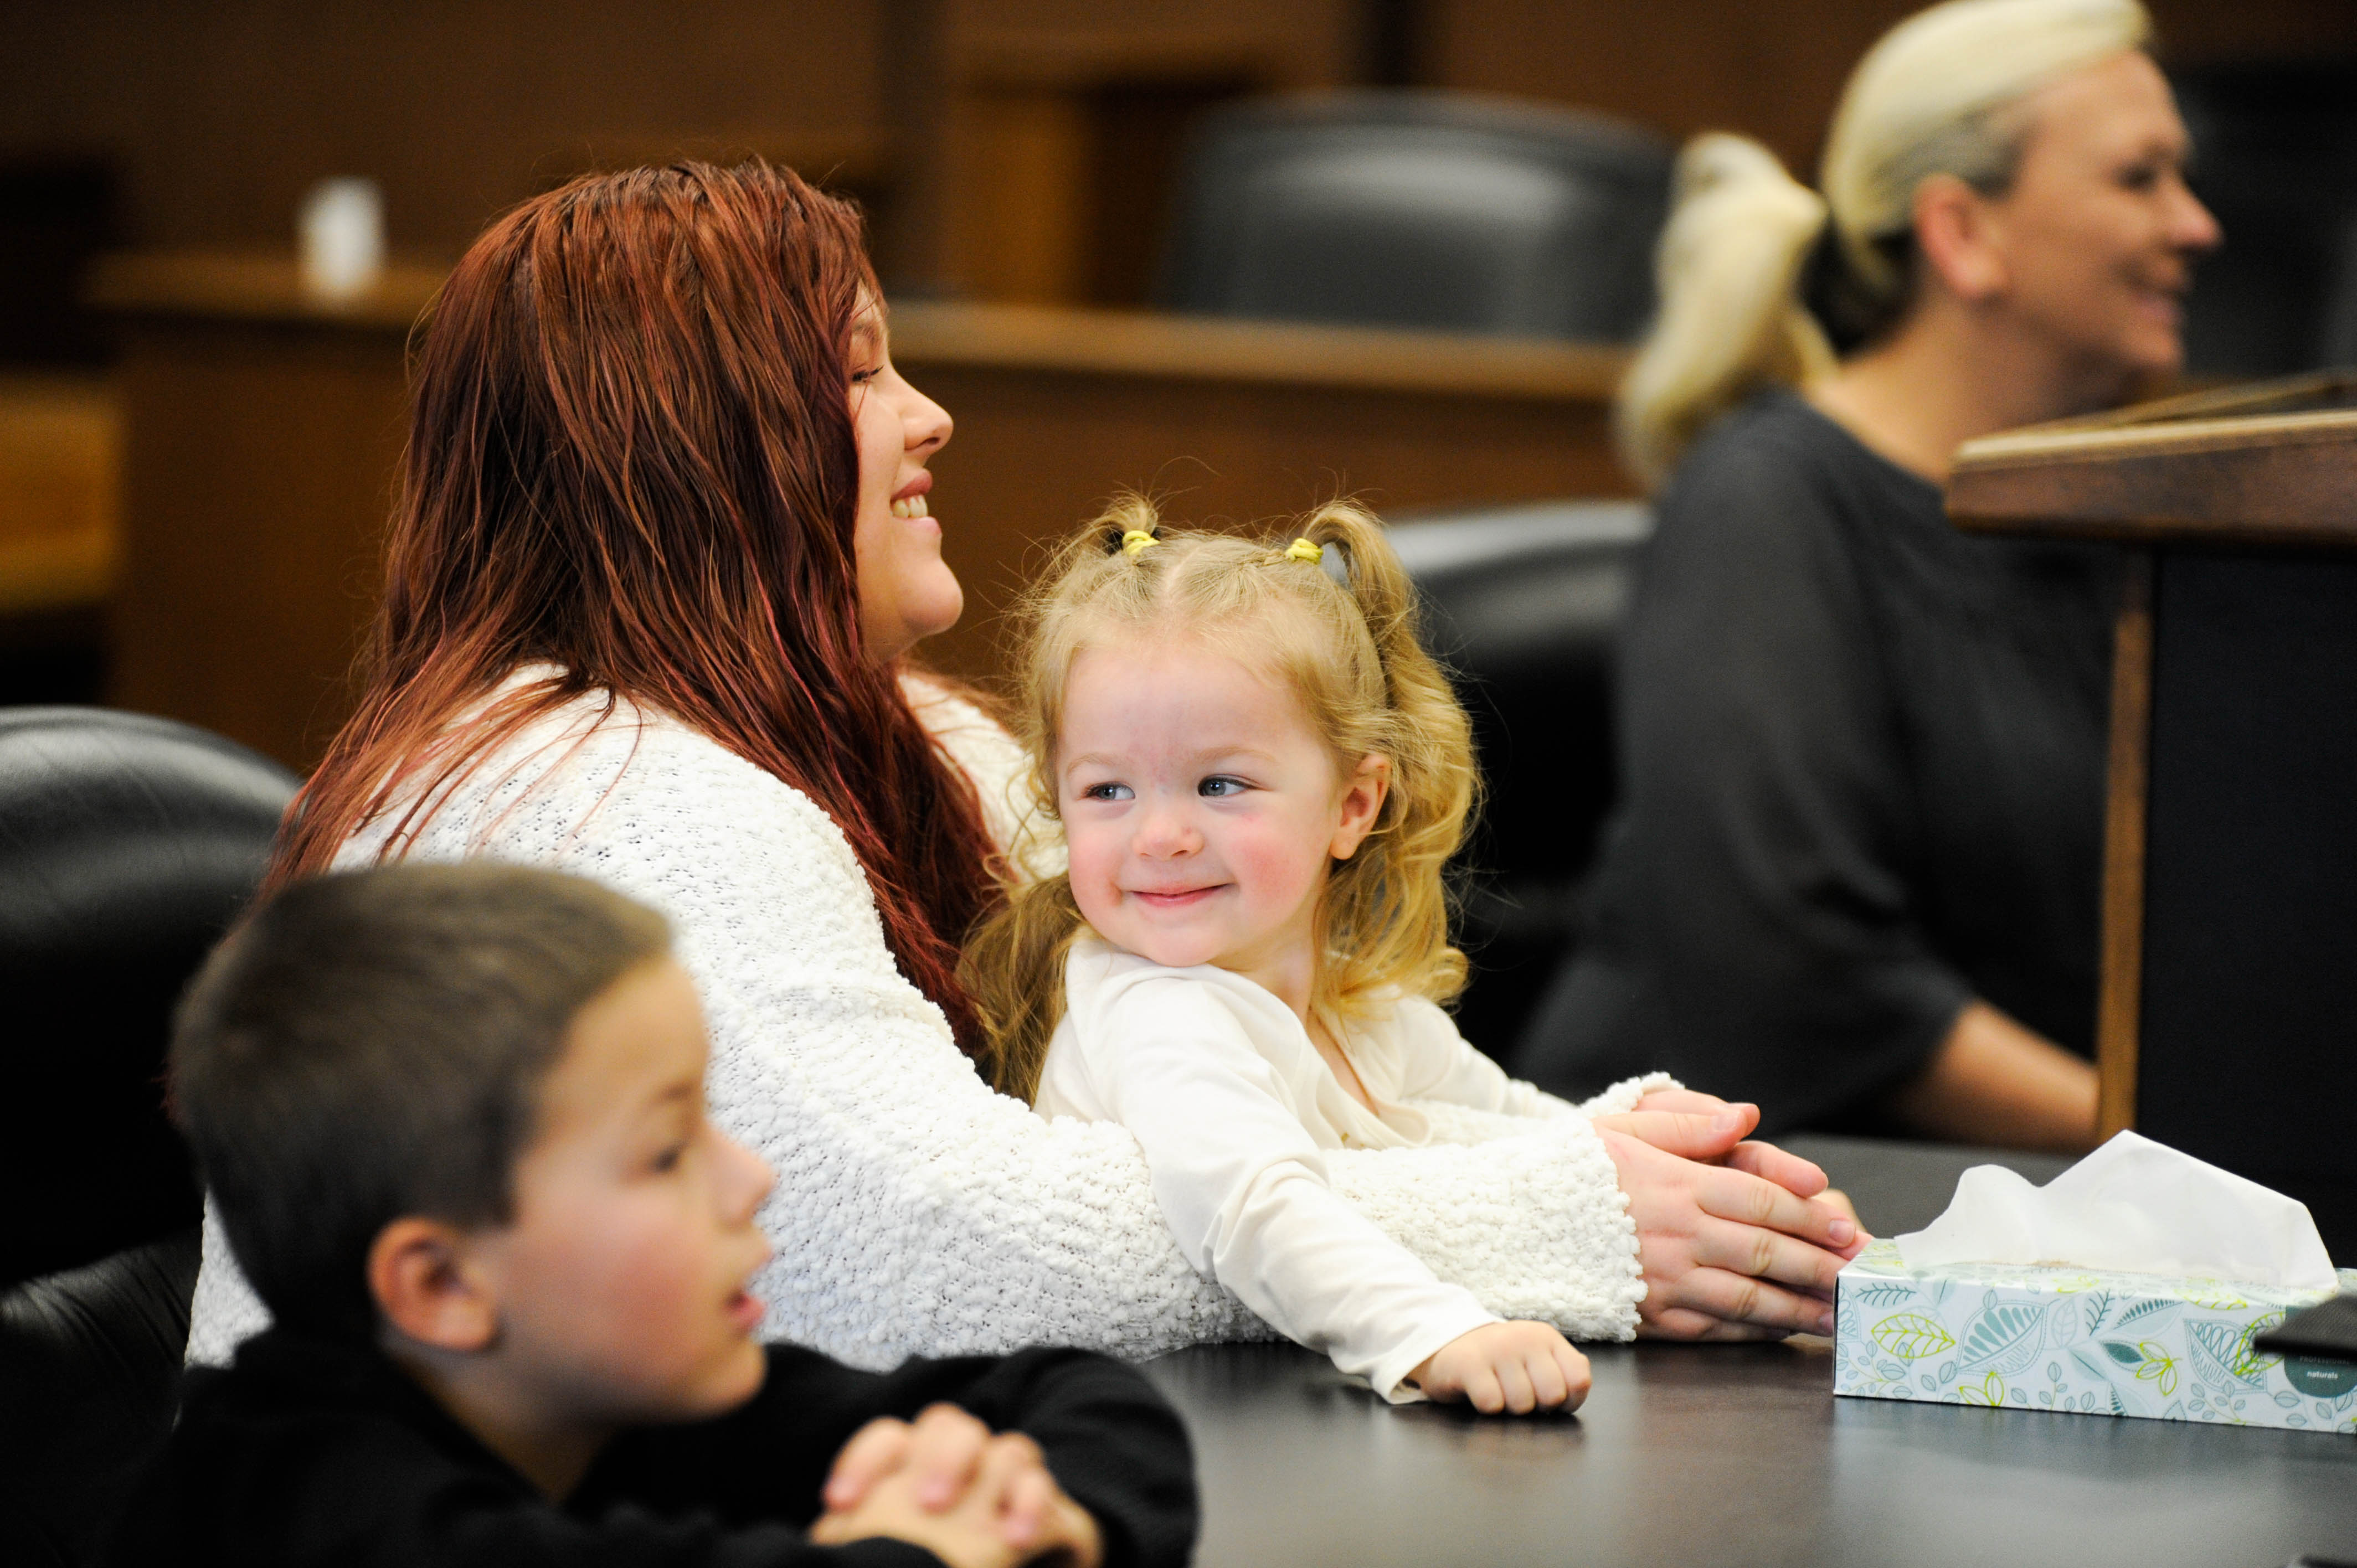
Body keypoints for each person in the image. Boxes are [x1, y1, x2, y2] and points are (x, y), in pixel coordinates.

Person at [186, 160, 1859, 1370]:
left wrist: (1600, 1156)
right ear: (698, 454)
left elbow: (1247, 1068)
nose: (931, 419)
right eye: (858, 375)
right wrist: (1563, 1219)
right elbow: (949, 1253)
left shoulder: (909, 732)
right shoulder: (617, 795)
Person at [1517, 0, 2219, 1153]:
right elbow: (1805, 974)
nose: (2195, 226)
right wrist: (2172, 1145)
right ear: (1960, 235)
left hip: (2032, 1205)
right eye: (2138, 179)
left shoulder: (2122, 504)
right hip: (1753, 1213)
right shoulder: (1766, 505)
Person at [120, 863, 1196, 1568]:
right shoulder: (304, 1520)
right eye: (667, 1151)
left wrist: (1049, 1518)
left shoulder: (601, 1400)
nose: (751, 1180)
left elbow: (1069, 1392)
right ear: (444, 1286)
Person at [964, 502, 1624, 1415]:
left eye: (1220, 785)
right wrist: (1435, 1334)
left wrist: (1629, 1145)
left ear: (1354, 804)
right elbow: (1250, 1208)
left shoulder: (1364, 1009)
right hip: (1166, 1434)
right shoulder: (1159, 1010)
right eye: (1106, 789)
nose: (1159, 835)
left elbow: (1514, 1119)